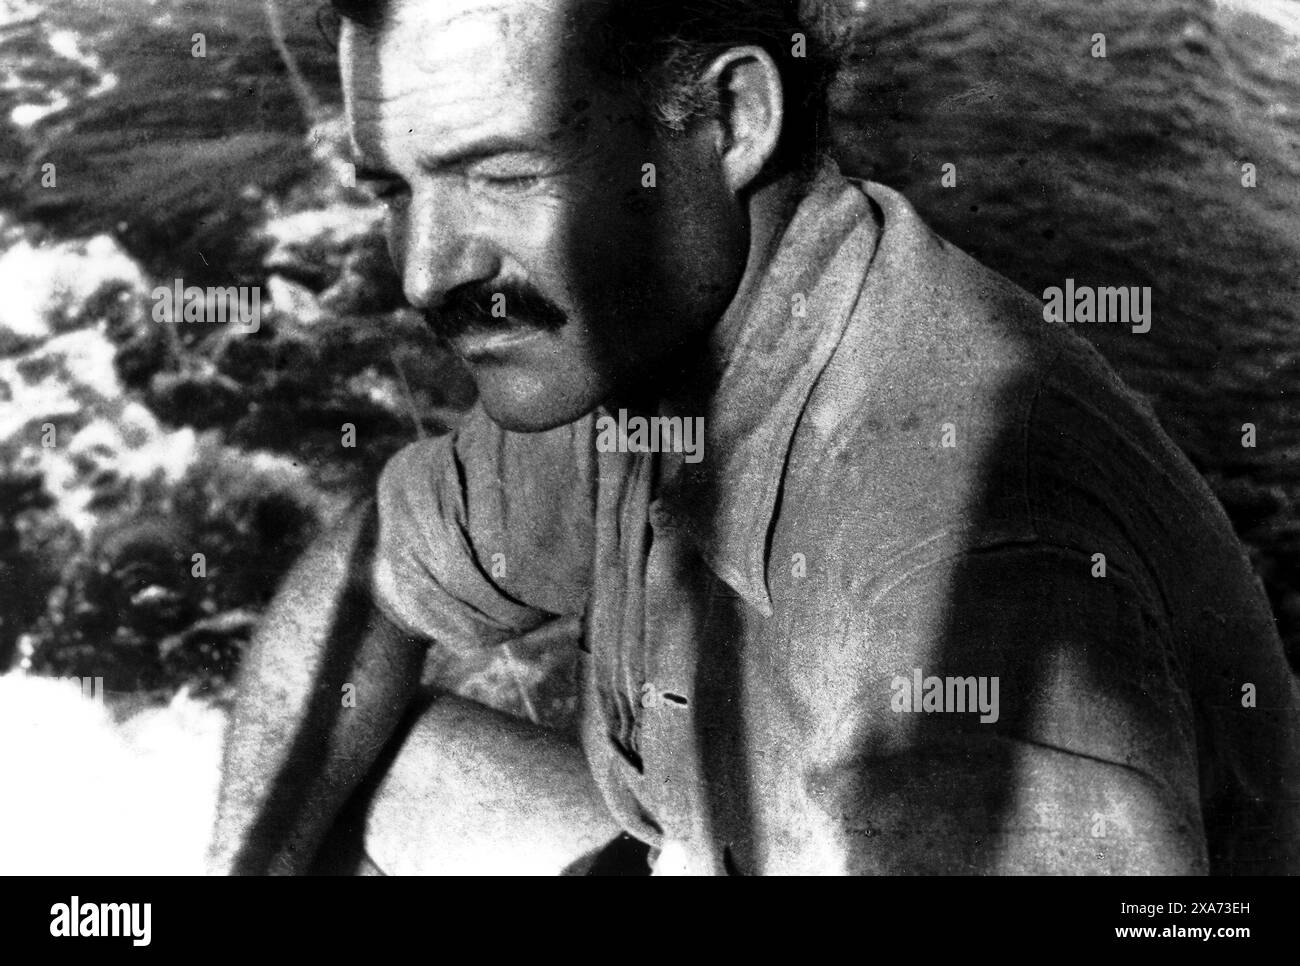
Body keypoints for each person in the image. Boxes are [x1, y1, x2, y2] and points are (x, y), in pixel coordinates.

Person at [207, 0, 1300, 874]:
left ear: (731, 120)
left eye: (502, 174)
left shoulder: (963, 553)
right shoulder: (643, 347)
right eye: (397, 188)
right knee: (365, 770)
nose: (425, 271)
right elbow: (370, 576)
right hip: (713, 844)